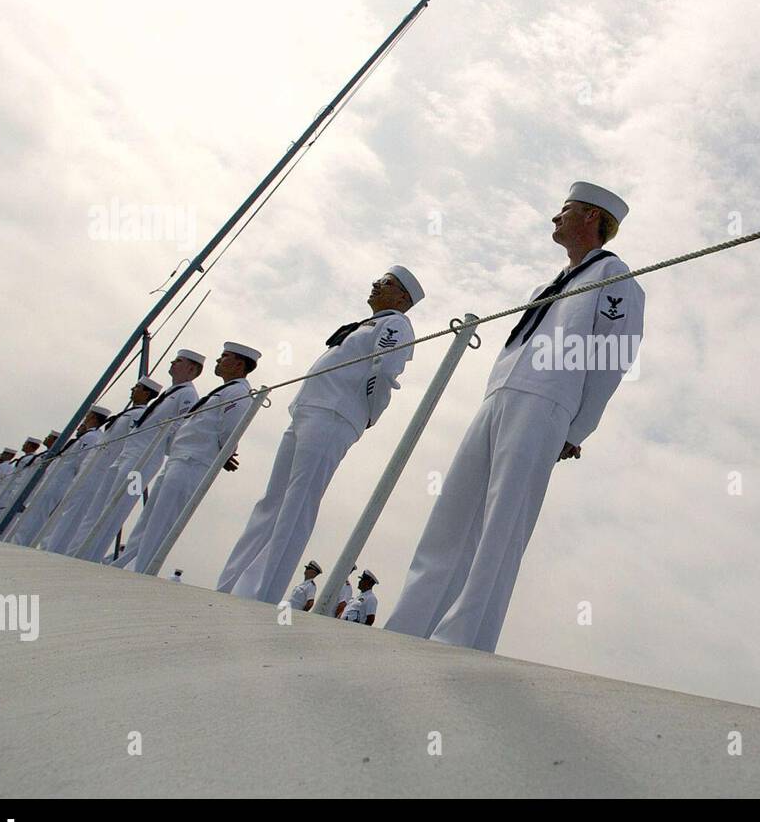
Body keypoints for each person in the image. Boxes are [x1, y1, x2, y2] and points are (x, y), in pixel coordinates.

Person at [387, 182, 644, 651]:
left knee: (502, 525)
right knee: (454, 514)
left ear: (590, 217)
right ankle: (410, 625)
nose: (554, 219)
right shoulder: (545, 285)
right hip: (500, 395)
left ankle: (463, 639)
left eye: (564, 211)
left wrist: (576, 427)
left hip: (547, 402)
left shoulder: (617, 280)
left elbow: (612, 359)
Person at [218, 267, 423, 602]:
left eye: (384, 283)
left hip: (333, 415)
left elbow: (384, 370)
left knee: (298, 503)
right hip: (307, 411)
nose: (374, 284)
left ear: (402, 298)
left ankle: (262, 593)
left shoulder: (395, 324)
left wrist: (365, 414)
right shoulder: (366, 323)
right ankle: (232, 585)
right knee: (272, 502)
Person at [111, 342, 260, 574]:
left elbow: (230, 431)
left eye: (225, 357)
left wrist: (225, 454)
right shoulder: (224, 390)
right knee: (148, 521)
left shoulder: (238, 393)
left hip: (192, 463)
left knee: (161, 523)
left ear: (239, 364)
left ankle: (142, 573)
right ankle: (124, 566)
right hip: (178, 460)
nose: (219, 361)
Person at [68, 350, 205, 561]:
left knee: (116, 506)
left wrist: (162, 439)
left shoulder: (187, 394)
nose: (172, 363)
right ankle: (77, 551)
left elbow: (183, 423)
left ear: (191, 369)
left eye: (178, 361)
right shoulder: (172, 392)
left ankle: (89, 556)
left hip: (142, 461)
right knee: (99, 506)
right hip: (127, 455)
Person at [41, 377, 161, 554]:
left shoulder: (138, 415)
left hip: (103, 470)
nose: (132, 389)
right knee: (71, 509)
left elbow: (130, 443)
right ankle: (55, 546)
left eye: (137, 387)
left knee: (77, 512)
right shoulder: (130, 413)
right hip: (94, 469)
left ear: (146, 393)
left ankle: (57, 549)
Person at [7, 408, 110, 546]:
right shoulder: (87, 436)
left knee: (37, 516)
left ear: (93, 417)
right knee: (34, 514)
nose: (84, 419)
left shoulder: (92, 437)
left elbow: (82, 461)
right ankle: (20, 542)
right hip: (54, 481)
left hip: (60, 483)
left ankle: (21, 544)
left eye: (87, 415)